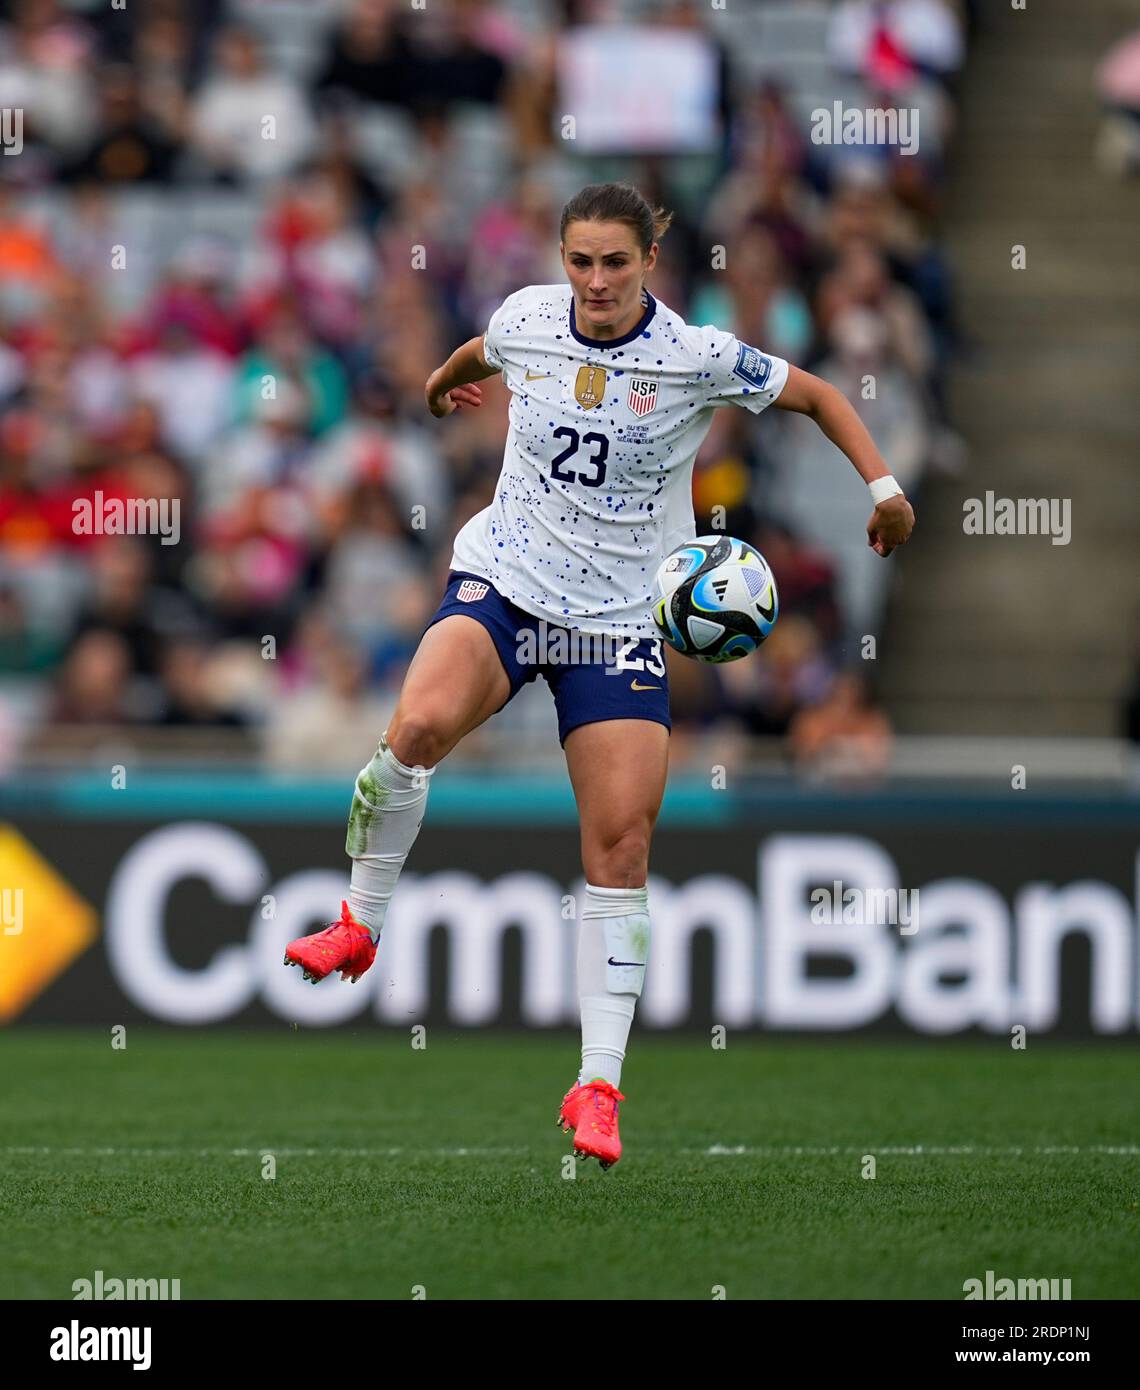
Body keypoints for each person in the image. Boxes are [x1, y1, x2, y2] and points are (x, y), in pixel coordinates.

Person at [283, 182, 915, 1168]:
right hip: (507, 579)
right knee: (413, 730)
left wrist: (883, 491)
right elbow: (474, 357)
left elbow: (821, 396)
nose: (595, 281)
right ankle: (358, 923)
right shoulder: (527, 317)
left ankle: (599, 1086)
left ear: (648, 262)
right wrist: (438, 387)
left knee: (619, 847)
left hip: (618, 621)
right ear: (561, 258)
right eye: (580, 260)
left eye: (615, 262)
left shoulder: (697, 356)